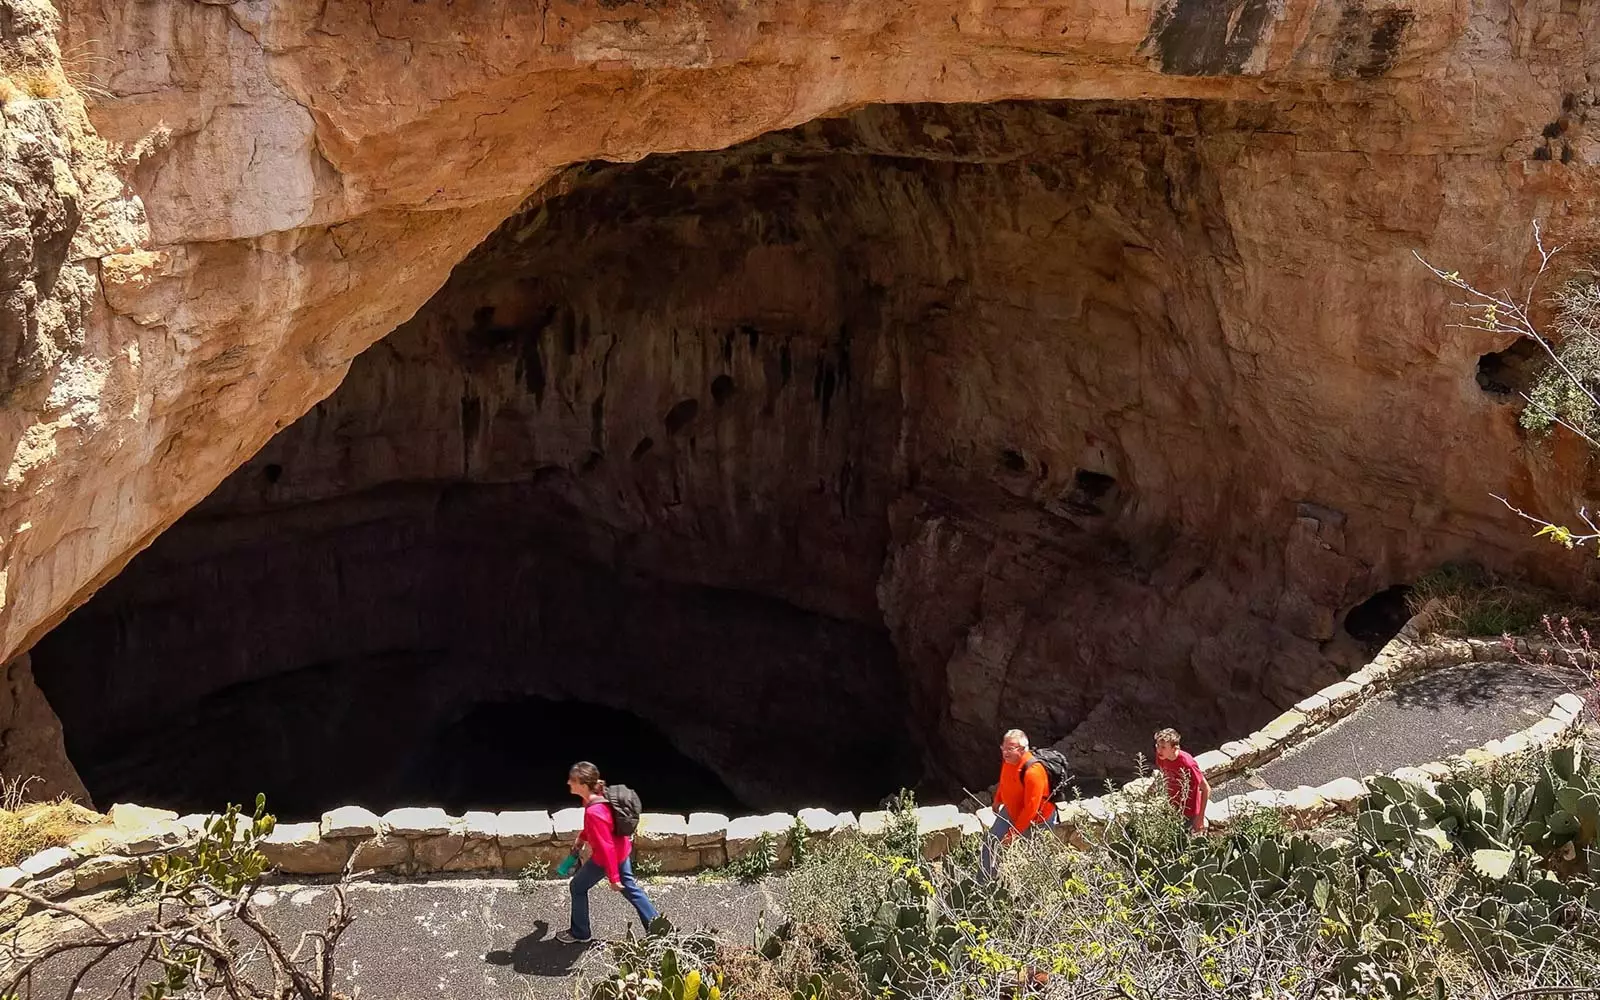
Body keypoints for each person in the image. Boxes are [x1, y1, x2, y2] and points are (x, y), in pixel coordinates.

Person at [555, 761, 659, 944]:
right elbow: (600, 830)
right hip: (623, 848)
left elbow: (606, 845)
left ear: (584, 785)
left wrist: (613, 878)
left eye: (573, 780)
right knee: (632, 890)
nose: (569, 783)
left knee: (577, 887)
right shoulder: (597, 796)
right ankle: (658, 928)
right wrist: (581, 838)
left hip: (607, 857)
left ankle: (580, 933)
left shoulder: (594, 811)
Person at [981, 729, 1058, 877]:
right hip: (1011, 811)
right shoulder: (1009, 761)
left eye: (1010, 749)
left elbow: (1031, 809)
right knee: (990, 842)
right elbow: (1005, 781)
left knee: (1036, 859)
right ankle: (984, 882)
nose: (1005, 753)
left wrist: (1013, 834)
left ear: (1022, 749)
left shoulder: (1033, 772)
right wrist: (998, 800)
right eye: (1003, 748)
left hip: (1037, 821)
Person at [1153, 727, 1210, 834]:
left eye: (1163, 747)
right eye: (1157, 746)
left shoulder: (1188, 764)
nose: (1159, 750)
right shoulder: (1162, 756)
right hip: (1172, 806)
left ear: (1175, 748)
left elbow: (1206, 789)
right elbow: (1164, 773)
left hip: (1189, 811)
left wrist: (1200, 818)